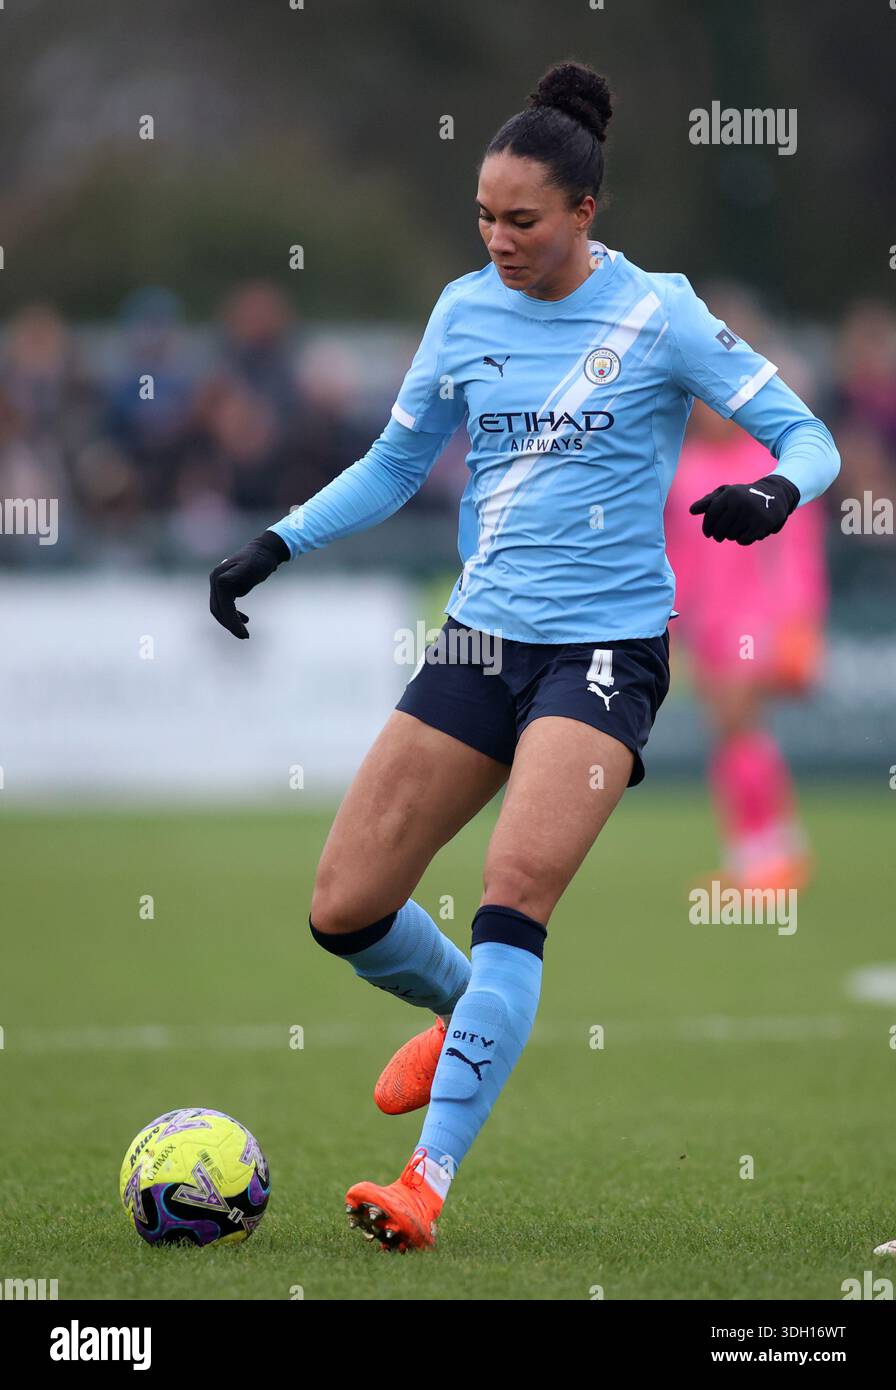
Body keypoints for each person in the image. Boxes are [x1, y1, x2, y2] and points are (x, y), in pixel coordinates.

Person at [209, 60, 840, 1252]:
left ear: (584, 213)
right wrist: (274, 542)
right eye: (484, 216)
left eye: (522, 219)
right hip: (479, 635)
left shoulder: (659, 310)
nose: (497, 238)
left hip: (603, 653)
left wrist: (771, 491)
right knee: (344, 908)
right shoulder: (460, 310)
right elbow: (397, 468)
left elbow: (805, 436)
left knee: (511, 899)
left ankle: (424, 1183)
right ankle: (470, 1017)